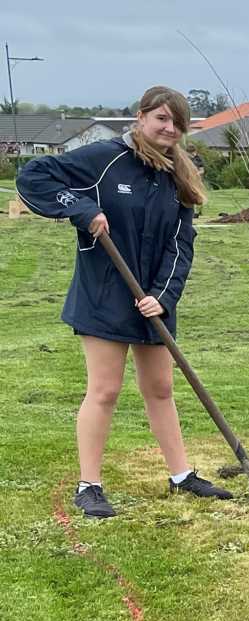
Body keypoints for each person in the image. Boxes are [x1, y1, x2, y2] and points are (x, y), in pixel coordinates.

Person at [16, 86, 232, 519]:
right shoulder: (105, 158)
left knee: (161, 388)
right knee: (105, 389)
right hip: (104, 295)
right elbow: (33, 177)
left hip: (151, 298)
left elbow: (180, 246)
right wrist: (80, 210)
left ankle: (181, 476)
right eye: (161, 120)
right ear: (142, 117)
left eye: (177, 124)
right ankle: (89, 485)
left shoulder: (178, 175)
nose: (169, 129)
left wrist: (163, 298)